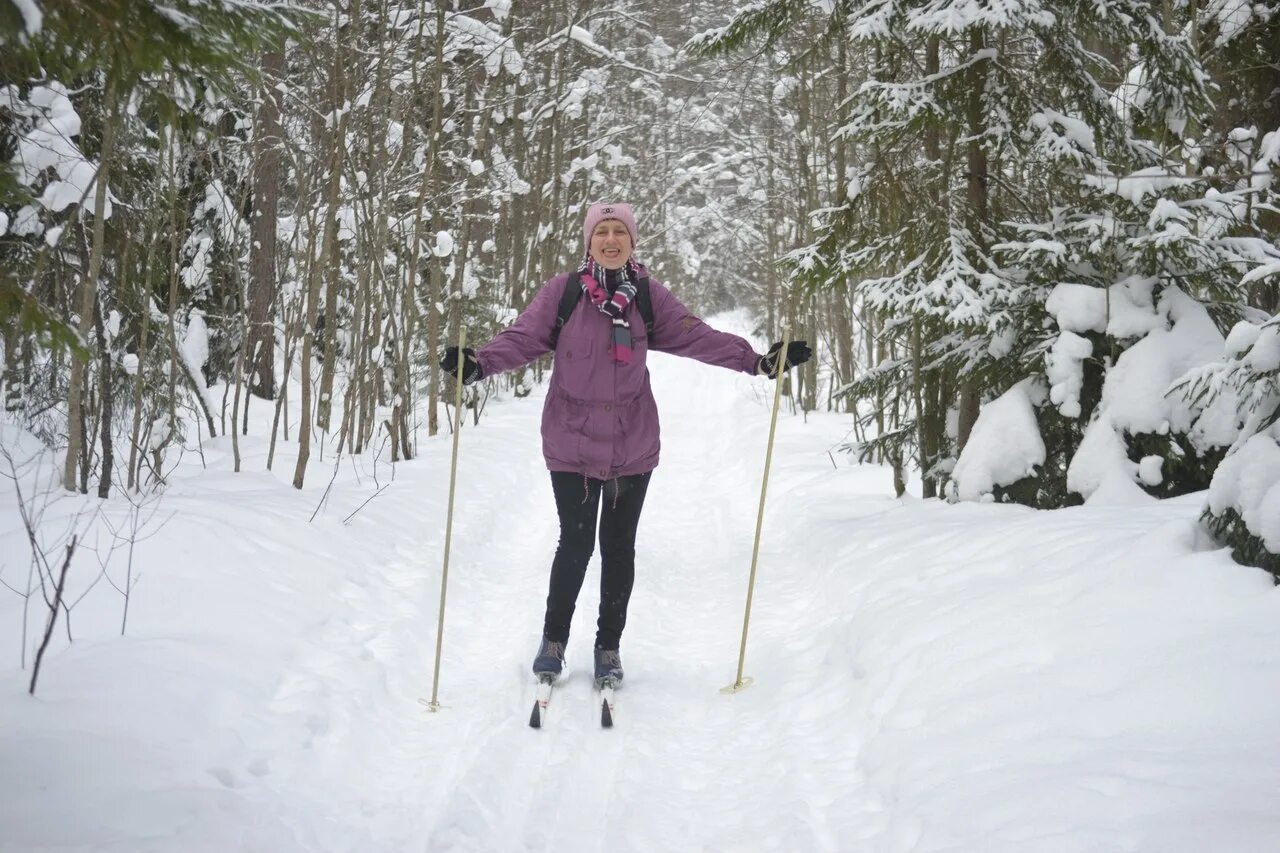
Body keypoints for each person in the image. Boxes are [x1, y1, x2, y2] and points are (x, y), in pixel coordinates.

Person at [440, 202, 811, 686]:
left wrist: (757, 362)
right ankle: (553, 641)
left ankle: (608, 648)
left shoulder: (649, 299)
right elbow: (524, 338)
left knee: (618, 548)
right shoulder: (564, 293)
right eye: (602, 231)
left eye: (620, 232)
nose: (611, 239)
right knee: (574, 544)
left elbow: (696, 336)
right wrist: (480, 363)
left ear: (632, 243)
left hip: (632, 445)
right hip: (570, 442)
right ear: (589, 241)